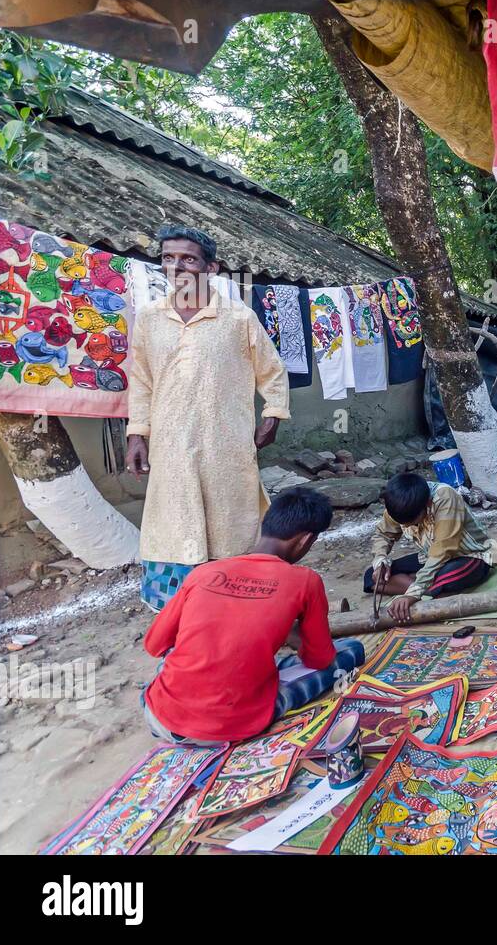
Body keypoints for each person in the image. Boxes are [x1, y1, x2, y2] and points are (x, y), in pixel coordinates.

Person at [126, 225, 289, 612]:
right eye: (168, 258)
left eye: (188, 258)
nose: (177, 266)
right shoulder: (150, 318)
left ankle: (236, 602)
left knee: (229, 517)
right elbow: (141, 380)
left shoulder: (237, 317)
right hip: (170, 444)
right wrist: (137, 433)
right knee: (174, 515)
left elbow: (272, 371)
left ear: (210, 267)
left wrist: (274, 414)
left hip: (226, 442)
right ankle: (179, 607)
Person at [141, 488, 364, 745]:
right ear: (305, 540)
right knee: (350, 650)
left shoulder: (204, 572)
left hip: (159, 717)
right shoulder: (305, 581)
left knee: (172, 662)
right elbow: (319, 659)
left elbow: (155, 645)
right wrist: (292, 635)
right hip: (233, 725)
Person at [366, 472, 497, 623]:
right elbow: (384, 534)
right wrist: (381, 561)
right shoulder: (397, 503)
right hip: (429, 555)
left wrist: (413, 593)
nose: (408, 526)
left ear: (426, 505)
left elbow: (443, 550)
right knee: (372, 577)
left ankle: (425, 586)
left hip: (470, 555)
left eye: (413, 522)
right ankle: (434, 590)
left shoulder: (445, 496)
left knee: (449, 575)